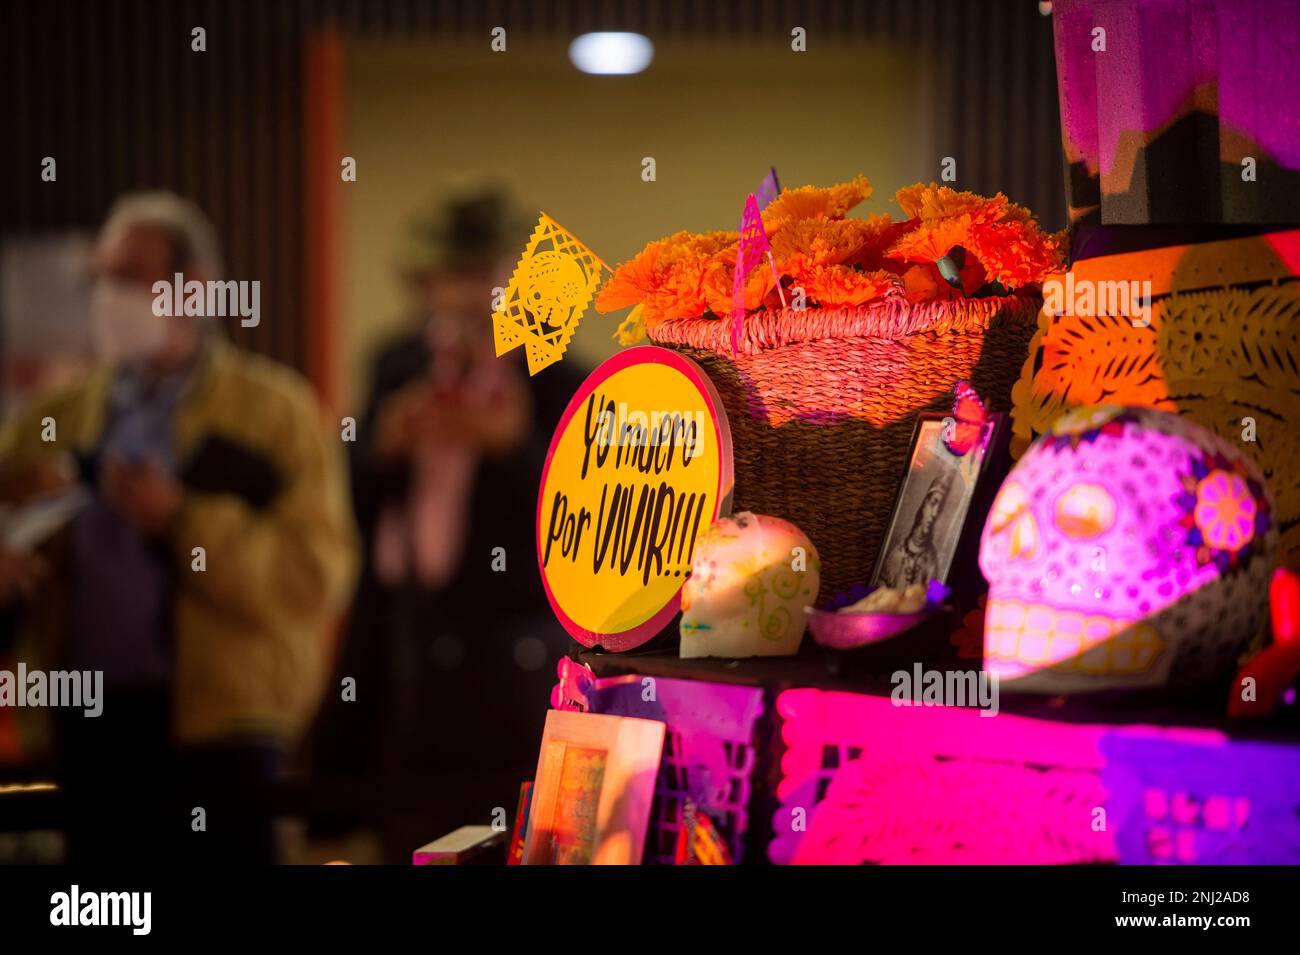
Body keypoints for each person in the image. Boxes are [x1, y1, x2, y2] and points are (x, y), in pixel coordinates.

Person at [0, 192, 358, 863]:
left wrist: (182, 520)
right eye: (101, 278)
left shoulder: (273, 411)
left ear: (194, 288)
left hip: (224, 729)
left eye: (131, 278)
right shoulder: (58, 413)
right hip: (90, 722)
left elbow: (315, 573)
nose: (111, 296)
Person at [312, 187, 580, 857]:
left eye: (484, 277)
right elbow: (349, 501)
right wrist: (382, 445)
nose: (465, 297)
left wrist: (512, 446)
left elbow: (579, 525)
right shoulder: (396, 360)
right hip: (404, 642)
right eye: (449, 278)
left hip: (515, 650)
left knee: (507, 834)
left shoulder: (559, 373)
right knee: (405, 830)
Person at [880, 469, 954, 589]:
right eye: (933, 502)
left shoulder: (931, 562)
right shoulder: (897, 553)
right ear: (924, 504)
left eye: (939, 509)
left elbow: (933, 600)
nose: (935, 513)